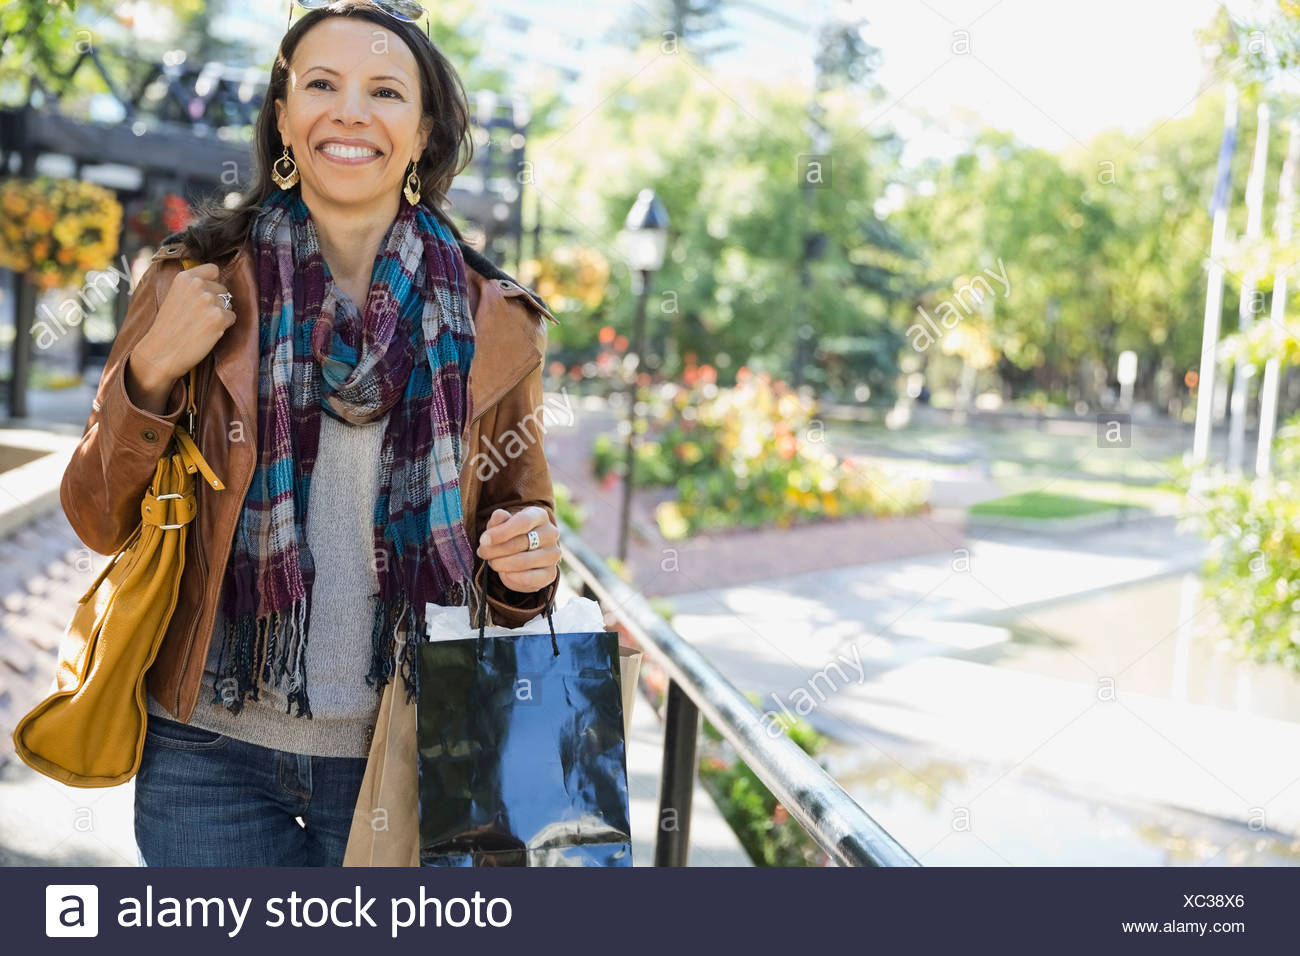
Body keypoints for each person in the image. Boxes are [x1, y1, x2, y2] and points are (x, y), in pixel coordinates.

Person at [59, 0, 563, 866]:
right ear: (284, 117)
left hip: (410, 750)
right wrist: (148, 376)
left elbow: (522, 548)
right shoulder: (192, 280)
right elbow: (97, 517)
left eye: (386, 91)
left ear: (425, 129)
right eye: (322, 84)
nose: (351, 111)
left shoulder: (497, 321)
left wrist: (527, 566)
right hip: (207, 756)